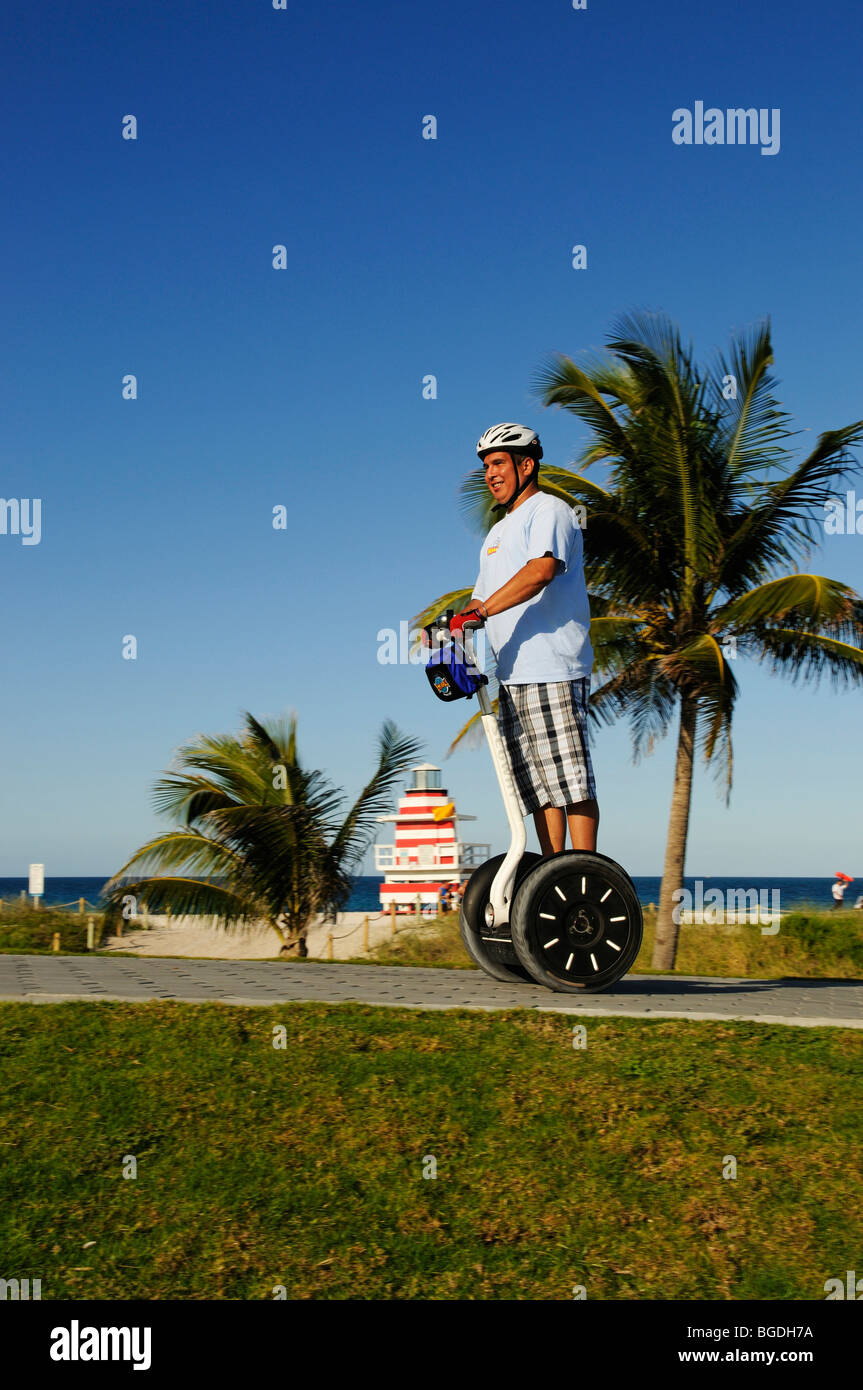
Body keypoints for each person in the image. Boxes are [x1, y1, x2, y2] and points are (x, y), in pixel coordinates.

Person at [449, 423, 597, 856]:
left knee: (570, 782)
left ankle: (584, 871)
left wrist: (481, 611)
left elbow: (541, 571)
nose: (490, 473)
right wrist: (454, 624)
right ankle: (555, 875)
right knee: (539, 788)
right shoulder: (496, 534)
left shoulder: (548, 511)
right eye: (486, 467)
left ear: (526, 464)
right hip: (512, 675)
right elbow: (480, 595)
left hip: (552, 666)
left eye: (498, 463)